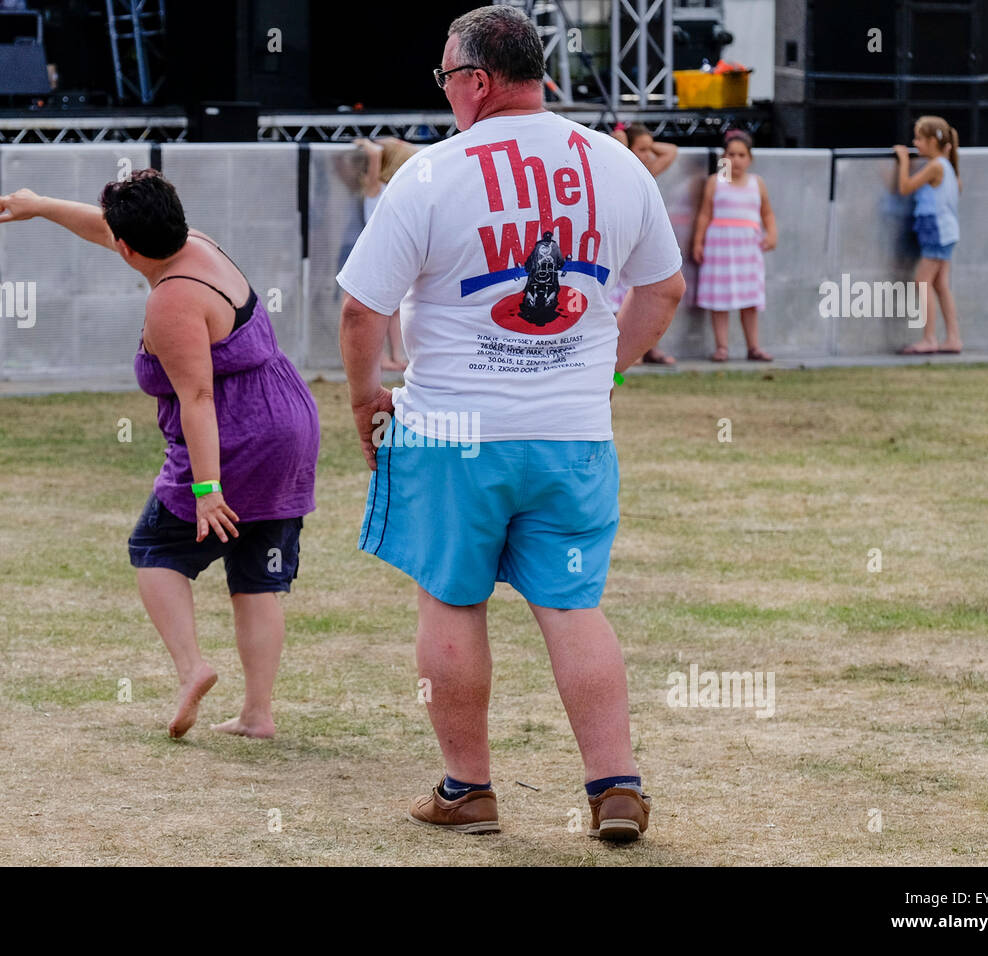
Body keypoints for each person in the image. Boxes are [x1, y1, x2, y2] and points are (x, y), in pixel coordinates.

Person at [337, 5, 685, 842]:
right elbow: (664, 289)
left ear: (478, 82)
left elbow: (360, 310)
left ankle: (468, 791)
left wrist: (364, 401)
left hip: (451, 430)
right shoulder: (614, 163)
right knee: (572, 606)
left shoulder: (427, 174)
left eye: (448, 80)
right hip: (571, 433)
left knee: (451, 601)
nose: (447, 94)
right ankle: (616, 789)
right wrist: (603, 374)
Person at [0, 171, 320, 740]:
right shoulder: (195, 244)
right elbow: (108, 229)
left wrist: (207, 490)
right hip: (289, 424)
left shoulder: (171, 302)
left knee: (153, 548)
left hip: (238, 436)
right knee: (256, 579)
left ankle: (193, 669)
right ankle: (257, 715)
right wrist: (39, 206)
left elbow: (198, 398)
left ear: (127, 248)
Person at [692, 129, 777, 361]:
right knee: (720, 300)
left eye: (741, 155)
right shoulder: (715, 182)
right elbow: (704, 214)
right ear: (723, 157)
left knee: (749, 300)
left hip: (747, 249)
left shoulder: (756, 183)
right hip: (720, 248)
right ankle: (722, 347)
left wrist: (771, 234)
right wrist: (698, 242)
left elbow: (767, 213)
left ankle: (753, 346)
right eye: (731, 154)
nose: (736, 160)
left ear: (749, 158)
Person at [609, 122, 680, 364]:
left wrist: (645, 144)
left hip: (641, 239)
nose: (650, 155)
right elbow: (617, 150)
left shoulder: (647, 172)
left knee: (648, 291)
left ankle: (648, 347)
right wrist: (622, 142)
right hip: (620, 240)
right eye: (642, 149)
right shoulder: (615, 169)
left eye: (651, 149)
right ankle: (624, 349)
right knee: (618, 296)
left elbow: (671, 151)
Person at [893, 115, 963, 355]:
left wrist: (903, 160)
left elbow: (905, 187)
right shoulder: (949, 167)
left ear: (933, 141)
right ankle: (953, 337)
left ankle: (929, 337)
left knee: (922, 282)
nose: (915, 143)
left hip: (936, 229)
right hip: (946, 230)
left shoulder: (936, 166)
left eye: (919, 139)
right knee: (940, 284)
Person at [353, 137, 410, 371]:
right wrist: (366, 143)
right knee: (381, 310)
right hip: (378, 255)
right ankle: (382, 357)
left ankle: (397, 355)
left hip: (393, 253)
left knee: (395, 310)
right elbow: (375, 153)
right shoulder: (374, 187)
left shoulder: (393, 188)